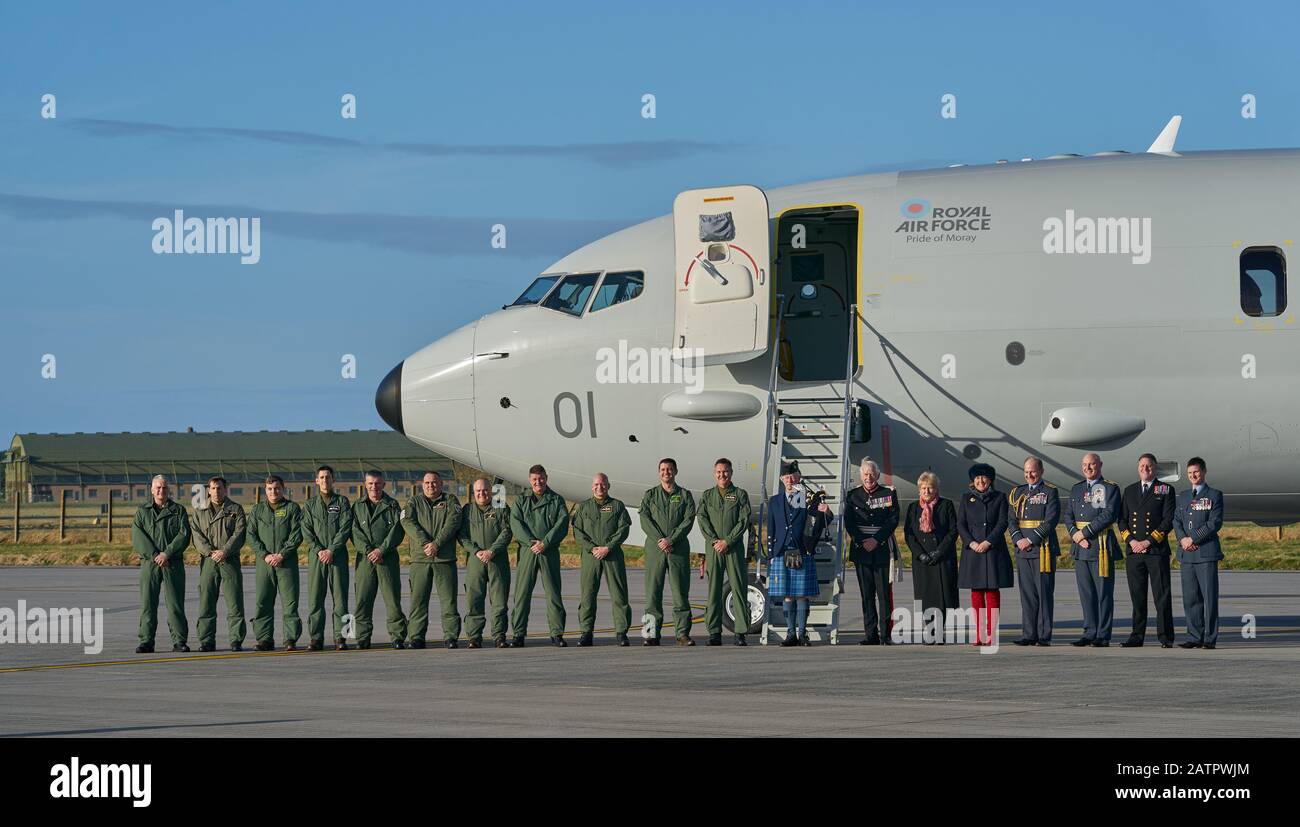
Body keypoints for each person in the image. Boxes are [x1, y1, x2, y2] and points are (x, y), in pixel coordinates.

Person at [1063, 453, 1122, 647]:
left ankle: (1103, 634)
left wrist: (1085, 533)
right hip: (1081, 547)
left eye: (1092, 464)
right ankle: (1089, 632)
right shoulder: (1077, 488)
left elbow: (1108, 515)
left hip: (1100, 546)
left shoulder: (1109, 488)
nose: (1088, 468)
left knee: (1103, 593)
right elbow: (1069, 516)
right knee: (1086, 593)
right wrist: (1075, 535)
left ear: (1100, 465)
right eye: (1085, 464)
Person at [1117, 453, 1176, 648]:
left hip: (1155, 551)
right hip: (1134, 552)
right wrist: (1132, 541)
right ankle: (1136, 636)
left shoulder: (1166, 490)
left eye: (1149, 466)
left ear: (1155, 468)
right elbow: (1122, 520)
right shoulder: (1130, 490)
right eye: (1142, 466)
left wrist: (1148, 542)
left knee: (1162, 596)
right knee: (1137, 597)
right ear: (1138, 468)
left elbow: (1168, 521)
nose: (1145, 469)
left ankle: (1165, 637)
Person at [767, 461, 828, 646]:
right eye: (786, 477)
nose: (789, 480)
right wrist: (771, 554)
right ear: (781, 479)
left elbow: (821, 519)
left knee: (802, 594)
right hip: (781, 550)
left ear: (798, 478)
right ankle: (790, 634)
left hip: (801, 549)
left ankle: (802, 634)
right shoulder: (775, 500)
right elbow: (771, 527)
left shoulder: (806, 498)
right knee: (787, 594)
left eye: (792, 477)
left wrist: (825, 511)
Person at [401, 471, 464, 649]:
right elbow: (407, 522)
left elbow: (453, 522)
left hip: (444, 559)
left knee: (449, 601)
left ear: (441, 483)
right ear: (422, 485)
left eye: (434, 482)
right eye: (427, 483)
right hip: (420, 560)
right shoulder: (414, 502)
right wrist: (425, 543)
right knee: (418, 601)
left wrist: (436, 544)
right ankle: (416, 636)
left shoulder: (450, 501)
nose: (431, 486)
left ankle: (451, 636)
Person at [509, 464, 570, 647]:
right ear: (530, 480)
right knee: (522, 593)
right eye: (535, 479)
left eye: (541, 478)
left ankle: (557, 633)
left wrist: (545, 542)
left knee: (553, 593)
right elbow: (515, 523)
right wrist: (530, 542)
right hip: (528, 551)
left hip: (548, 550)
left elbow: (562, 523)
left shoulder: (556, 500)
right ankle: (518, 634)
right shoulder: (521, 500)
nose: (538, 482)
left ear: (546, 478)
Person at [639, 458, 697, 646]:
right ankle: (650, 634)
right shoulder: (650, 495)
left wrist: (670, 540)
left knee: (680, 593)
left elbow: (688, 520)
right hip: (655, 549)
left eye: (670, 469)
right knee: (652, 593)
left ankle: (682, 634)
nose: (666, 472)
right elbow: (645, 519)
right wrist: (660, 540)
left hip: (677, 549)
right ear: (659, 472)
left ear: (675, 471)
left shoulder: (685, 495)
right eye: (663, 469)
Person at [697, 458, 754, 646]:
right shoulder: (707, 495)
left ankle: (741, 632)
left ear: (731, 473)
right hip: (714, 549)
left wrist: (728, 541)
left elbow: (744, 520)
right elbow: (702, 519)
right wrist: (715, 541)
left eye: (726, 471)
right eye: (719, 472)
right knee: (713, 591)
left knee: (739, 589)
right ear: (714, 473)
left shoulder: (740, 494)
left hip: (734, 548)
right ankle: (714, 633)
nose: (722, 475)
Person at [572, 473, 633, 647]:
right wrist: (592, 548)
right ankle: (586, 632)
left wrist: (608, 547)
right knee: (588, 595)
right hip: (591, 556)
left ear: (608, 486)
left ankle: (621, 632)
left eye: (603, 484)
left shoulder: (617, 506)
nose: (600, 487)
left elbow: (623, 529)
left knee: (619, 594)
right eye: (597, 484)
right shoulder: (584, 507)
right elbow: (577, 531)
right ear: (592, 487)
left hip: (612, 555)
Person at [133, 475, 191, 653]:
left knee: (175, 604)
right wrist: (154, 555)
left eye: (164, 488)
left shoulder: (178, 511)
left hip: (172, 563)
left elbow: (184, 535)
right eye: (157, 487)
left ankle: (179, 641)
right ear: (151, 490)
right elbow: (137, 536)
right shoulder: (142, 511)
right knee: (148, 604)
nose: (161, 491)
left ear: (169, 490)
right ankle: (146, 641)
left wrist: (167, 553)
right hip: (150, 564)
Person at [843, 458, 898, 645]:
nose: (869, 477)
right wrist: (861, 540)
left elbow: (892, 520)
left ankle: (886, 635)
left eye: (872, 474)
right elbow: (849, 521)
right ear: (860, 475)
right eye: (865, 474)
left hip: (880, 548)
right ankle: (870, 634)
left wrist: (876, 540)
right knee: (866, 595)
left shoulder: (888, 494)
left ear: (878, 475)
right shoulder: (852, 496)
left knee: (883, 595)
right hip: (861, 550)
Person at [351, 470, 408, 649]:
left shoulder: (392, 505)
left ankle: (398, 636)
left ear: (384, 484)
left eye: (377, 483)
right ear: (365, 485)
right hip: (365, 559)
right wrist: (369, 550)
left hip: (387, 559)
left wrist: (381, 550)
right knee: (362, 600)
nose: (374, 487)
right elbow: (354, 531)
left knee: (392, 600)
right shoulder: (358, 506)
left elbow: (398, 531)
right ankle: (362, 637)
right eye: (370, 484)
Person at [957, 463, 1012, 647]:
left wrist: (988, 541)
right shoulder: (966, 498)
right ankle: (979, 634)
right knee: (976, 593)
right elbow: (961, 524)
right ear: (973, 481)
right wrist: (972, 543)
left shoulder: (1000, 498)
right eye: (977, 478)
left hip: (992, 549)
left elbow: (1003, 522)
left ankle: (991, 633)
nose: (981, 481)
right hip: (973, 551)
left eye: (984, 478)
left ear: (991, 480)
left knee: (992, 592)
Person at [1008, 456, 1060, 646]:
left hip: (1042, 549)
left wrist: (1031, 539)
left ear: (1041, 472)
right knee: (1027, 594)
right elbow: (1011, 520)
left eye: (1033, 471)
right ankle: (1029, 633)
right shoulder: (1016, 493)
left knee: (1044, 593)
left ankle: (1044, 635)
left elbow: (1051, 520)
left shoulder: (1049, 491)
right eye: (1026, 472)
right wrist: (1019, 539)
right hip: (1023, 550)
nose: (1029, 475)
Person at [248, 475, 303, 651]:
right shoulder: (258, 510)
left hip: (286, 564)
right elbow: (251, 535)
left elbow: (296, 535)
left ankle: (290, 639)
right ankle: (265, 639)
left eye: (277, 488)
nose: (274, 492)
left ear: (283, 489)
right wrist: (264, 555)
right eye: (270, 489)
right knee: (263, 601)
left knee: (290, 602)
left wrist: (282, 554)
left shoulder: (292, 508)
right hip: (265, 564)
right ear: (265, 490)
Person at [1173, 457, 1224, 649]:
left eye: (1196, 472)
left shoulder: (1215, 495)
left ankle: (1209, 638)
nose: (1193, 476)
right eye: (1189, 473)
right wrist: (1183, 540)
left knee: (1209, 598)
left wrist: (1193, 539)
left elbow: (1214, 523)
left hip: (1205, 553)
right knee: (1190, 598)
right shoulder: (1184, 496)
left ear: (1204, 471)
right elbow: (1176, 521)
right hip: (1187, 555)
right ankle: (1194, 636)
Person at [191, 475, 246, 652]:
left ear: (225, 489)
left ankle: (236, 640)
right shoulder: (200, 509)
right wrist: (209, 552)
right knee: (206, 601)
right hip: (208, 561)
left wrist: (225, 551)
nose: (216, 491)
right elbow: (196, 534)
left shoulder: (235, 509)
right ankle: (207, 640)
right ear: (208, 490)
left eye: (219, 488)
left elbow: (239, 533)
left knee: (234, 602)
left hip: (229, 560)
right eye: (213, 488)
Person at [301, 465, 353, 651]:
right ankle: (316, 638)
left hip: (337, 556)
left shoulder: (343, 502)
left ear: (333, 480)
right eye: (321, 477)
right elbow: (306, 531)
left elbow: (346, 527)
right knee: (315, 600)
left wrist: (331, 549)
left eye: (328, 477)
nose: (325, 480)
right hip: (317, 558)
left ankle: (344, 637)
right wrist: (319, 550)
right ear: (316, 481)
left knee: (342, 598)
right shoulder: (309, 505)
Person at [903, 471, 959, 643]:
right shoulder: (913, 508)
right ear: (919, 489)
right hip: (922, 560)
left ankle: (940, 632)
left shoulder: (946, 505)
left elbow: (953, 531)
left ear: (936, 489)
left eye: (930, 488)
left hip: (942, 557)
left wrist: (939, 552)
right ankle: (929, 630)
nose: (927, 491)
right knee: (925, 596)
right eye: (923, 488)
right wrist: (920, 554)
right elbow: (909, 533)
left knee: (943, 596)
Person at [458, 478, 513, 649]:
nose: (482, 494)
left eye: (485, 490)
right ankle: (474, 637)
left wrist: (492, 550)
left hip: (497, 560)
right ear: (473, 493)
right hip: (476, 560)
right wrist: (476, 551)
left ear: (491, 490)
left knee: (499, 600)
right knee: (474, 598)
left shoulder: (501, 507)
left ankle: (499, 636)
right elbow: (462, 535)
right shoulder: (467, 510)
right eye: (478, 491)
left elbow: (507, 531)